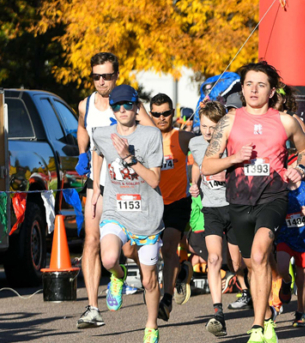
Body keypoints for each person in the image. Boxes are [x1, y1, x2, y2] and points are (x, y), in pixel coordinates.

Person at [201, 61, 305, 343]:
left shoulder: (285, 121)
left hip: (272, 198)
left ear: (272, 91)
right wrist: (234, 159)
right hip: (238, 200)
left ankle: (257, 326)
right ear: (241, 88)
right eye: (249, 84)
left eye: (261, 84)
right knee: (252, 265)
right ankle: (267, 320)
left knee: (262, 255)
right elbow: (207, 165)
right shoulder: (230, 120)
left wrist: (298, 168)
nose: (253, 89)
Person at [76, 52, 155, 329]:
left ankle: (129, 266)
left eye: (106, 76)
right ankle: (93, 307)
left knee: (129, 245)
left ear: (116, 76)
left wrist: (128, 137)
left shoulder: (130, 103)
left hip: (130, 184)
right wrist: (82, 152)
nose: (101, 82)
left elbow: (152, 134)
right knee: (91, 240)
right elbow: (82, 130)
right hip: (99, 183)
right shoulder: (85, 105)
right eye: (96, 76)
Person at [90, 84, 165, 343]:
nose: (122, 110)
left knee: (148, 281)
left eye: (127, 105)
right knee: (109, 258)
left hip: (147, 217)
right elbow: (97, 150)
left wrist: (128, 158)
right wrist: (96, 186)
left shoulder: (151, 135)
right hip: (116, 210)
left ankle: (151, 325)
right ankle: (118, 276)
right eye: (116, 106)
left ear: (136, 107)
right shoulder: (102, 133)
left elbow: (155, 181)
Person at [188, 101, 242, 337]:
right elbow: (197, 165)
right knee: (213, 258)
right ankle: (217, 312)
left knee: (237, 264)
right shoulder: (195, 143)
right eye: (204, 126)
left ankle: (248, 289)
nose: (208, 132)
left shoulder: (231, 143)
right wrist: (194, 183)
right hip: (211, 208)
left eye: (212, 127)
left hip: (234, 207)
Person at [148, 93, 196, 320]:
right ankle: (182, 270)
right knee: (131, 249)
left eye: (166, 113)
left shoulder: (182, 137)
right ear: (151, 115)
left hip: (178, 202)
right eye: (156, 114)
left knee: (168, 247)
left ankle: (166, 299)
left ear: (173, 114)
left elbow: (207, 142)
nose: (161, 118)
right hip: (153, 202)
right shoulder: (146, 139)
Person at [274, 155, 305, 328]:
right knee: (281, 268)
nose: (295, 171)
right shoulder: (279, 188)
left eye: (298, 167)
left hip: (304, 238)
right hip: (285, 236)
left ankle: (301, 312)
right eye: (291, 167)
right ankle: (286, 282)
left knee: (302, 278)